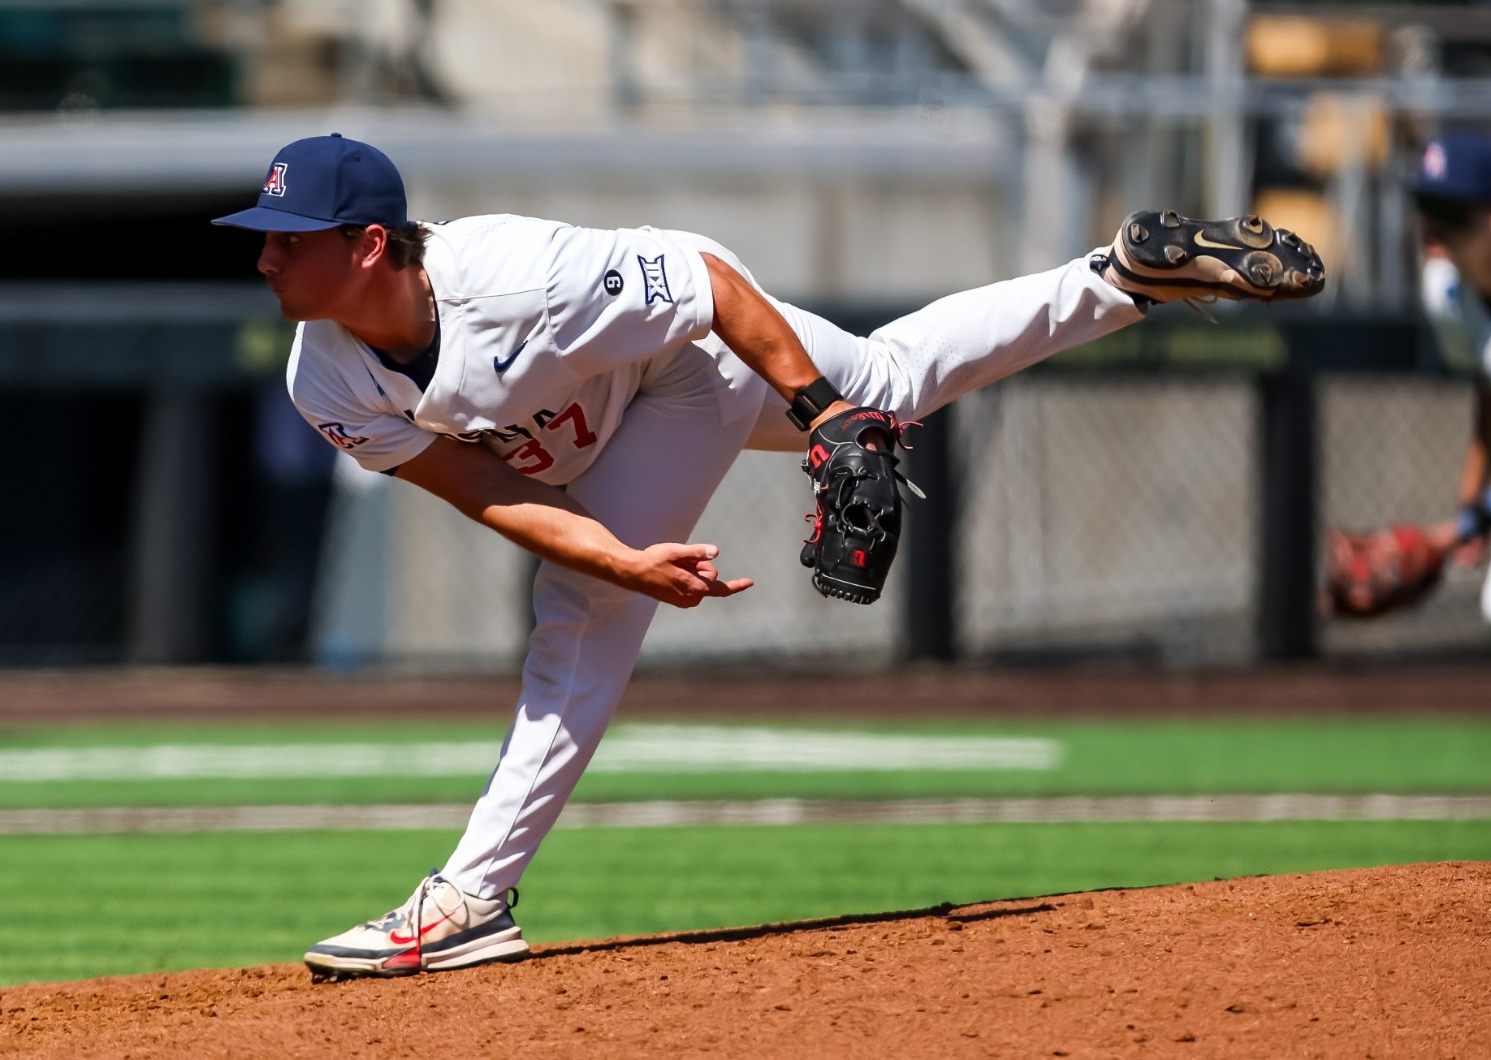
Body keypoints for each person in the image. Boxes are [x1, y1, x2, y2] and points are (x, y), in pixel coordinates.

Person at [213, 133, 1325, 979]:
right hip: (598, 426)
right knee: (869, 393)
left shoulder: (519, 275)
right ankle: (1122, 278)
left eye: (287, 239)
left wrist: (819, 414)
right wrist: (621, 555)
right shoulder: (327, 378)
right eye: (264, 236)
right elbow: (482, 484)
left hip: (692, 364)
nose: (264, 258)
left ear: (367, 246)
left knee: (599, 597)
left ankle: (468, 901)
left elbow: (711, 286)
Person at [1408, 130, 1491, 613]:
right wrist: (1469, 501)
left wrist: (1463, 526)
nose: (1434, 229)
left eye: (1454, 215)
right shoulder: (1448, 295)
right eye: (1427, 208)